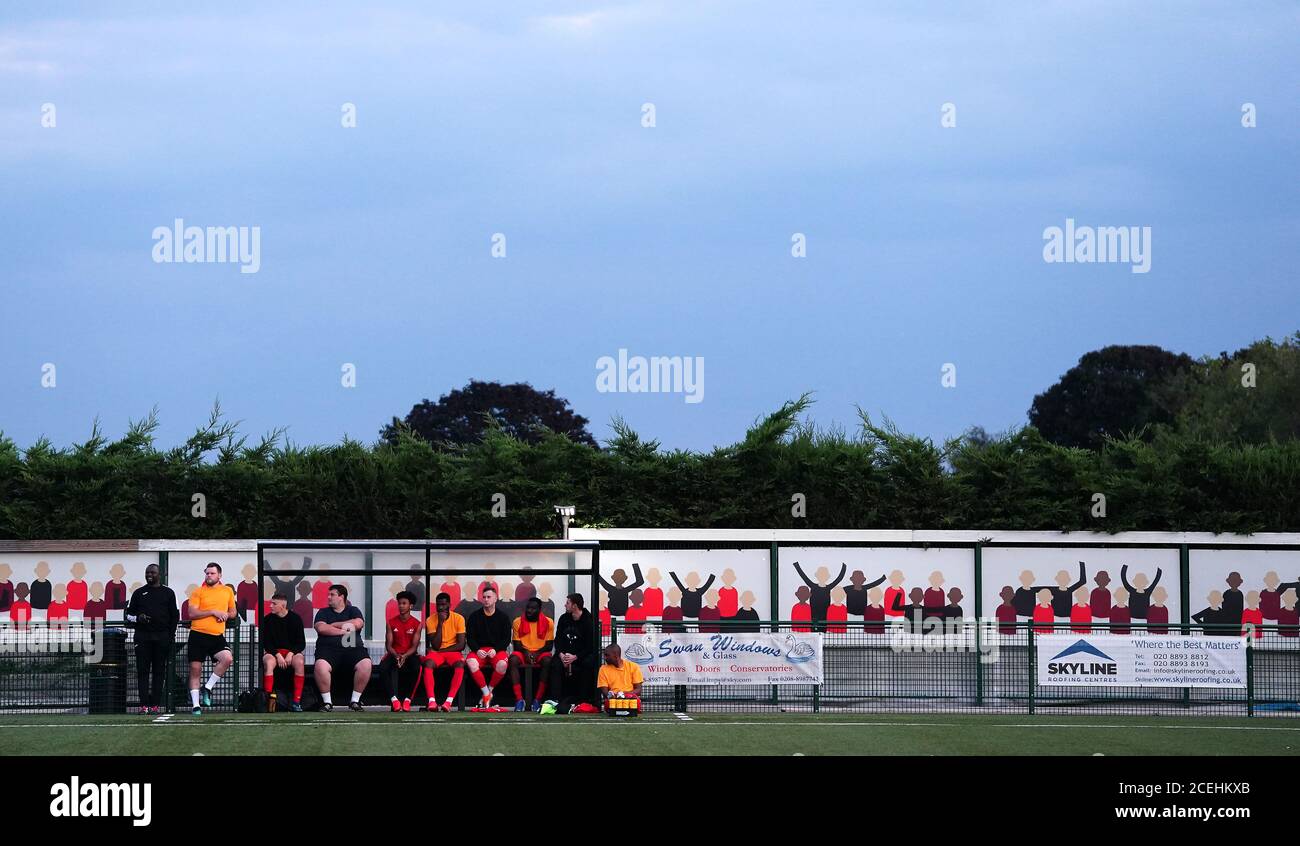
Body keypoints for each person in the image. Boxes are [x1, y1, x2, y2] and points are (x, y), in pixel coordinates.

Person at [125, 563, 178, 715]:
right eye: (147, 572)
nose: (149, 575)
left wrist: (170, 635)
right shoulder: (138, 593)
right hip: (142, 638)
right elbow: (128, 615)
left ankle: (155, 705)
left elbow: (174, 616)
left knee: (159, 672)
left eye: (153, 572)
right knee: (142, 671)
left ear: (159, 574)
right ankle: (144, 706)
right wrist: (138, 618)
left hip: (162, 638)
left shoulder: (168, 593)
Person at [187, 563, 236, 716]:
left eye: (212, 573)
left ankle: (207, 687)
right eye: (207, 573)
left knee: (227, 659)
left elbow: (233, 611)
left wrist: (227, 615)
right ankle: (196, 705)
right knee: (196, 669)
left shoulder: (227, 591)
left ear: (219, 575)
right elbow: (192, 613)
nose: (209, 576)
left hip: (216, 636)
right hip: (197, 634)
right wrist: (213, 612)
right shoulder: (197, 591)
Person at [313, 584, 371, 711]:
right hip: (328, 650)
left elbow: (357, 623)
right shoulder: (323, 612)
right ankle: (327, 703)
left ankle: (355, 701)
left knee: (366, 663)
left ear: (341, 597)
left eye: (332, 595)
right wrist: (344, 631)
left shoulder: (353, 610)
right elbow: (321, 628)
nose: (328, 597)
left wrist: (334, 625)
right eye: (328, 594)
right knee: (320, 666)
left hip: (351, 648)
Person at [465, 586, 512, 707]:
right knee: (470, 662)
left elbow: (506, 639)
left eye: (489, 597)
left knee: (502, 664)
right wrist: (477, 649)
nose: (486, 599)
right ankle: (486, 693)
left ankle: (489, 691)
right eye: (484, 597)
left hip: (496, 651)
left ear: (495, 598)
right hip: (479, 650)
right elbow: (470, 637)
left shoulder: (503, 617)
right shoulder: (474, 616)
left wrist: (495, 650)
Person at [261, 592, 307, 712]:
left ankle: (296, 702)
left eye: (274, 604)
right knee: (269, 662)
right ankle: (268, 701)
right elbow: (266, 643)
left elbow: (301, 643)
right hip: (274, 653)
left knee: (300, 662)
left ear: (282, 605)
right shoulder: (267, 620)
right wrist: (278, 655)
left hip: (291, 653)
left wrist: (291, 653)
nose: (270, 606)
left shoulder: (295, 619)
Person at [422, 592, 467, 712]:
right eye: (438, 605)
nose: (441, 608)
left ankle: (448, 702)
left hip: (452, 651)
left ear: (449, 605)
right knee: (428, 664)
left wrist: (441, 650)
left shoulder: (459, 618)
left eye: (444, 604)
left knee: (460, 664)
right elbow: (436, 645)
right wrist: (440, 624)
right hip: (437, 653)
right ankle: (432, 701)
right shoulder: (430, 620)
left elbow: (461, 645)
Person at [553, 593, 597, 713]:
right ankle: (555, 700)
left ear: (575, 606)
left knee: (588, 663)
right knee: (555, 664)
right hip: (564, 654)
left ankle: (583, 700)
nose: (565, 605)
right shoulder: (563, 618)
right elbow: (557, 640)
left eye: (567, 603)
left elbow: (590, 646)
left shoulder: (588, 620)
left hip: (580, 655)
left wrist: (575, 657)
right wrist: (561, 655)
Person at [509, 596, 554, 711]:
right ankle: (519, 700)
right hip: (523, 651)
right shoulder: (517, 621)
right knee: (513, 660)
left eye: (533, 608)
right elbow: (517, 645)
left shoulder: (549, 622)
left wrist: (537, 654)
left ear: (539, 610)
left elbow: (549, 646)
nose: (529, 611)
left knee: (548, 661)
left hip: (541, 652)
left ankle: (537, 700)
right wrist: (526, 653)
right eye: (528, 608)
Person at [380, 591, 421, 712]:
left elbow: (414, 646)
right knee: (382, 668)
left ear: (411, 606)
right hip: (394, 654)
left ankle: (407, 700)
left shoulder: (417, 624)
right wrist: (397, 656)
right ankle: (394, 700)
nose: (401, 606)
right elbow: (388, 645)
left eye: (404, 603)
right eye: (400, 603)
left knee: (417, 668)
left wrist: (405, 656)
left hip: (409, 654)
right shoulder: (391, 622)